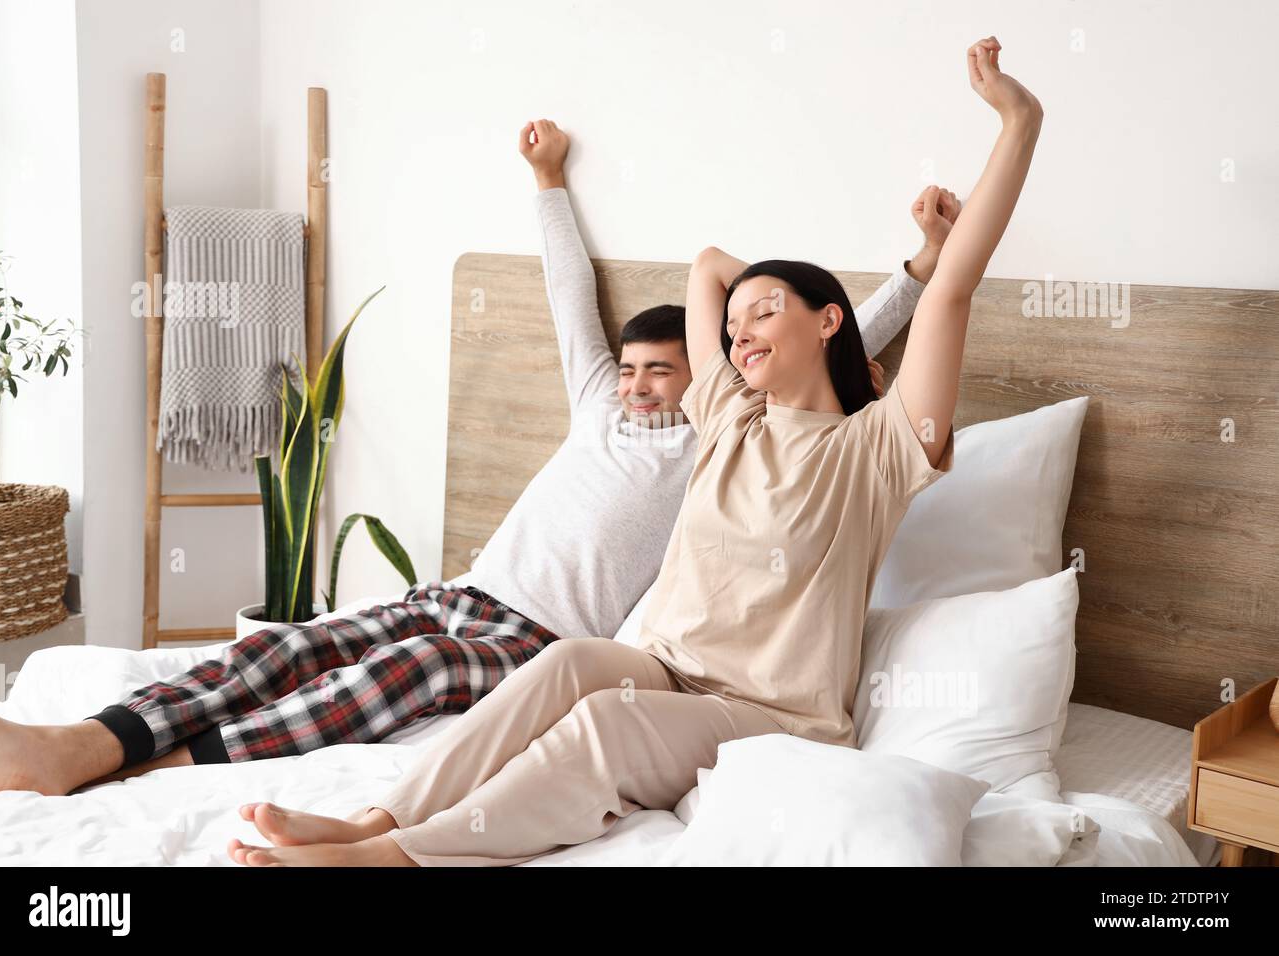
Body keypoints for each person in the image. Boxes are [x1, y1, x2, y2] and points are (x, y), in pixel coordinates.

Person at [223, 35, 1039, 867]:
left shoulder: (876, 450)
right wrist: (755, 288)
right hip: (664, 665)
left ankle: (406, 857)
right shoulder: (727, 415)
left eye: (765, 311)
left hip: (771, 712)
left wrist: (1016, 122)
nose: (738, 330)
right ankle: (376, 818)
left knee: (606, 722)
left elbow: (954, 290)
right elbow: (705, 267)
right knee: (570, 662)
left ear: (830, 320)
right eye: (736, 322)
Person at [0, 120, 942, 798]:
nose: (641, 387)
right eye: (635, 370)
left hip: (535, 638)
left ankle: (167, 770)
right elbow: (571, 294)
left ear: (711, 378)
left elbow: (836, 345)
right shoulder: (592, 405)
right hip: (463, 587)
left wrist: (915, 274)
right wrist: (548, 181)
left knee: (414, 674)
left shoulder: (725, 443)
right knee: (295, 643)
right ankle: (90, 741)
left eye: (665, 373)